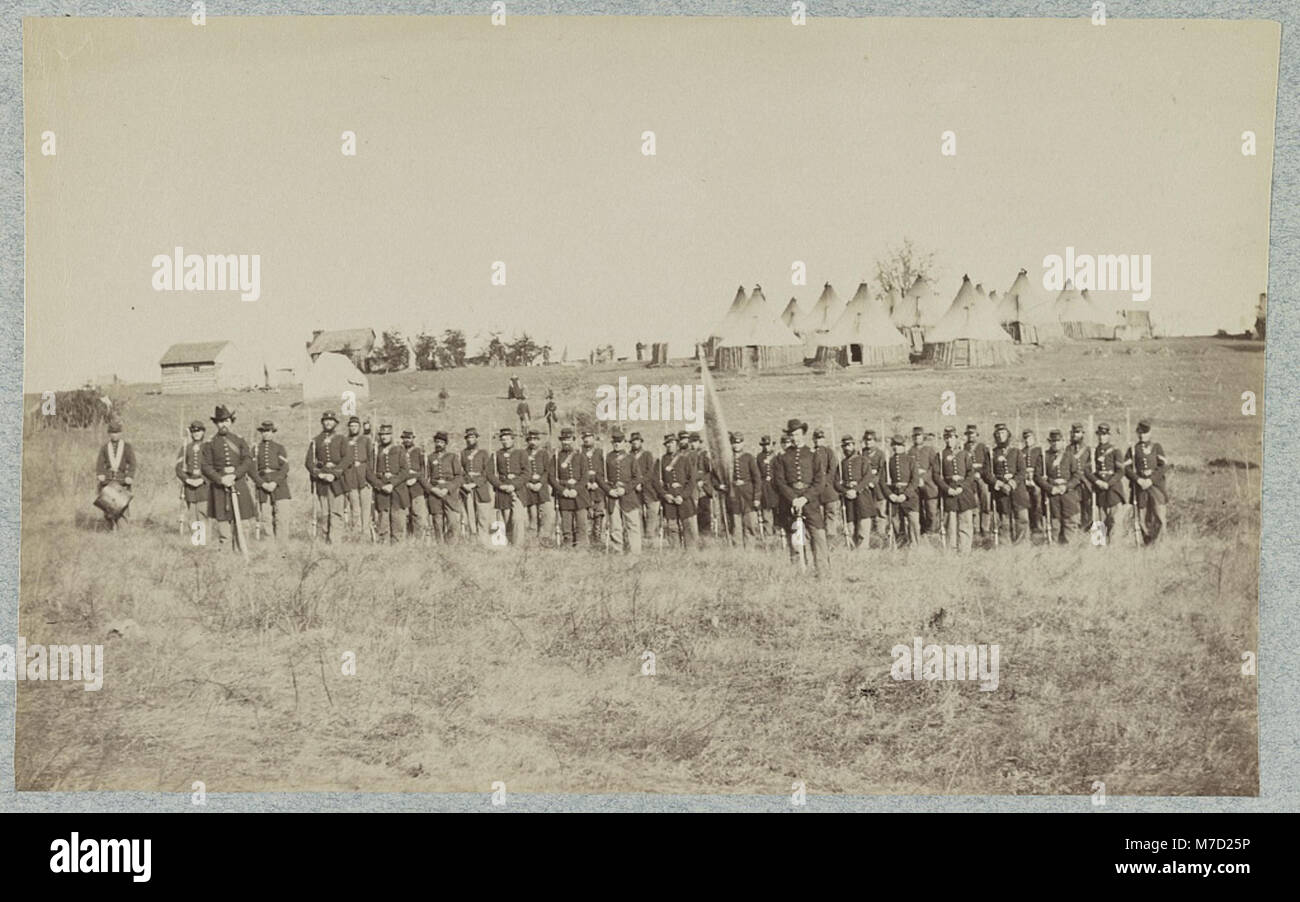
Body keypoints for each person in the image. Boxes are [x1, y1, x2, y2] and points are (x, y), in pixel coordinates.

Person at [774, 419, 829, 573]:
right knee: (795, 537)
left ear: (803, 434)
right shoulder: (782, 458)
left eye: (798, 434)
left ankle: (822, 571)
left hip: (810, 502)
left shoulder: (813, 455)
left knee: (818, 536)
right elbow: (780, 482)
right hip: (790, 503)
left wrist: (805, 498)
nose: (795, 438)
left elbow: (820, 481)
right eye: (792, 435)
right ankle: (798, 571)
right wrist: (793, 499)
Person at [201, 405, 255, 550]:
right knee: (224, 529)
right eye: (220, 421)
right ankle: (226, 561)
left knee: (243, 526)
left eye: (226, 421)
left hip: (239, 486)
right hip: (219, 489)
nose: (223, 424)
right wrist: (220, 479)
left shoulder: (239, 440)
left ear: (231, 422)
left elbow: (248, 460)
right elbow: (205, 466)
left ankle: (242, 556)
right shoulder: (210, 443)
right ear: (216, 424)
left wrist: (235, 474)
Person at [306, 411, 352, 542]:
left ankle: (335, 541)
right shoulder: (316, 440)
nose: (328, 422)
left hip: (337, 481)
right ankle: (325, 539)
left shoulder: (341, 439)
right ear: (322, 422)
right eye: (325, 420)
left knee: (336, 512)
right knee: (325, 512)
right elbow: (308, 462)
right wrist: (319, 474)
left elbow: (347, 458)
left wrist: (335, 473)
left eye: (331, 420)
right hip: (322, 482)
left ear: (335, 423)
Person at [934, 426, 977, 552]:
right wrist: (947, 489)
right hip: (949, 492)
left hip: (964, 492)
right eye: (946, 438)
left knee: (966, 522)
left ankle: (965, 550)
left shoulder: (964, 454)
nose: (949, 440)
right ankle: (951, 550)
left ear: (956, 438)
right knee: (950, 524)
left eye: (951, 437)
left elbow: (970, 473)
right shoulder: (941, 455)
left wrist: (962, 487)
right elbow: (936, 475)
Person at [1125, 420, 1169, 544]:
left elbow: (1164, 466)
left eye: (1145, 433)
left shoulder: (1156, 447)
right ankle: (1146, 543)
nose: (1142, 435)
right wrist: (1138, 479)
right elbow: (1126, 468)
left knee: (1158, 515)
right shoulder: (1133, 449)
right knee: (1142, 517)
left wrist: (1151, 479)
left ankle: (1159, 544)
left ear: (1150, 433)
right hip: (1140, 488)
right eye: (1140, 433)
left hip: (1155, 487)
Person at [716, 431, 762, 547]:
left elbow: (757, 478)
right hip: (733, 496)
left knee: (750, 524)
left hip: (748, 496)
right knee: (736, 526)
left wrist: (756, 497)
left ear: (743, 443)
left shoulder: (749, 458)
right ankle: (738, 551)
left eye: (739, 443)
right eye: (734, 443)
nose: (736, 445)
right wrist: (719, 485)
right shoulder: (726, 459)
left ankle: (750, 550)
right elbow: (715, 475)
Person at [602, 429, 644, 554]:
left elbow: (637, 478)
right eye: (614, 441)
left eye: (619, 441)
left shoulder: (630, 458)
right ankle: (617, 551)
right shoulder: (607, 458)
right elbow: (600, 477)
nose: (617, 444)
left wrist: (625, 489)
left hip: (629, 496)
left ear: (625, 443)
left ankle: (635, 552)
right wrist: (609, 491)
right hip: (613, 495)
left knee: (633, 525)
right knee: (615, 526)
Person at [987, 423, 1029, 543]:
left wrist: (1012, 482)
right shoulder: (991, 453)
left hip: (1017, 490)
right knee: (1004, 520)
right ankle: (1005, 545)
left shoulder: (1016, 452)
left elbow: (1022, 471)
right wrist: (998, 484)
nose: (1001, 436)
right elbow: (987, 473)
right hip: (1001, 491)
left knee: (1022, 518)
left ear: (1008, 435)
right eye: (998, 434)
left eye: (1003, 433)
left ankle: (1022, 545)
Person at [550, 427, 591, 547]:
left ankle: (582, 546)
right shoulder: (556, 457)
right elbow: (551, 477)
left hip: (580, 494)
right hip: (564, 495)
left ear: (573, 440)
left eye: (568, 439)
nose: (566, 442)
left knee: (581, 523)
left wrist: (576, 489)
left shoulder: (581, 456)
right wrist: (563, 491)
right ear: (561, 441)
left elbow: (585, 476)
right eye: (564, 440)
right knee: (566, 525)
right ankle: (567, 546)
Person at [1039, 429, 1082, 544]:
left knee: (1070, 522)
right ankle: (1054, 549)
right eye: (1053, 441)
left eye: (1058, 441)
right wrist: (1050, 488)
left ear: (1063, 441)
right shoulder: (1044, 457)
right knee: (1054, 523)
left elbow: (1077, 475)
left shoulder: (1069, 456)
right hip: (1052, 495)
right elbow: (1037, 476)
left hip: (1068, 494)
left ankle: (1070, 548)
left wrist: (1067, 486)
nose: (1055, 443)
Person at [1087, 423, 1127, 543]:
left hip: (1113, 489)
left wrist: (1109, 484)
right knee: (1099, 520)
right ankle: (1099, 545)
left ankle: (1114, 546)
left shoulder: (1115, 451)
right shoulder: (1093, 452)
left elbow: (1121, 471)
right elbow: (1087, 471)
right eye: (1099, 435)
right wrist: (1097, 481)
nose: (1101, 437)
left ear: (1108, 436)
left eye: (1104, 435)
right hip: (1099, 490)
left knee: (1114, 519)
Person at [657, 432, 698, 549]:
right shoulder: (661, 461)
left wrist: (683, 496)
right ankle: (676, 552)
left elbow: (692, 480)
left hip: (683, 498)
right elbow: (656, 481)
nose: (669, 445)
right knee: (672, 527)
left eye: (672, 443)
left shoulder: (685, 459)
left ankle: (691, 553)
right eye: (667, 443)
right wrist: (665, 495)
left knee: (688, 527)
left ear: (677, 443)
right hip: (669, 500)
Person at [369, 424, 409, 543]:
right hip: (382, 490)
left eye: (387, 434)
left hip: (397, 489)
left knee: (398, 519)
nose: (384, 437)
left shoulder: (399, 450)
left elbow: (405, 471)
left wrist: (392, 484)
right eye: (382, 434)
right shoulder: (375, 450)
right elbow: (369, 472)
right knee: (383, 518)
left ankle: (398, 546)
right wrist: (380, 485)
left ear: (391, 435)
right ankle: (383, 546)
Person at [487, 427, 528, 545]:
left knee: (518, 518)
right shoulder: (496, 455)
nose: (505, 442)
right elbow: (489, 473)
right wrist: (500, 485)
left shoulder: (521, 453)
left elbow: (527, 473)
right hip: (502, 491)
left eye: (507, 439)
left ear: (513, 440)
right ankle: (508, 543)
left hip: (518, 491)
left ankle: (518, 545)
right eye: (503, 440)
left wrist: (514, 485)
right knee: (506, 518)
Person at [95, 418, 137, 530]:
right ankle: (109, 529)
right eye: (112, 433)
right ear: (109, 433)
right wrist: (100, 474)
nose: (114, 435)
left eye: (117, 432)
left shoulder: (127, 447)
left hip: (122, 480)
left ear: (121, 433)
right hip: (108, 480)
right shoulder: (104, 448)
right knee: (107, 506)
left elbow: (132, 463)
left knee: (122, 507)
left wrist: (129, 476)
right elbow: (100, 463)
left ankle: (124, 531)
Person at [253, 420, 291, 541]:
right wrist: (262, 483)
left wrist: (275, 482)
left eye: (268, 431)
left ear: (273, 432)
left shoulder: (279, 448)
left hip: (279, 484)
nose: (266, 434)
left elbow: (285, 467)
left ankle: (282, 543)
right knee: (266, 516)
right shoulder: (255, 449)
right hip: (262, 484)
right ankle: (269, 544)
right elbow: (252, 470)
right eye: (264, 431)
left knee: (282, 514)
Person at [424, 430, 463, 543]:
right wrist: (432, 489)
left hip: (449, 493)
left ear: (445, 444)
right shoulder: (430, 458)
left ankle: (451, 544)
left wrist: (448, 488)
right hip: (435, 493)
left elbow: (459, 477)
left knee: (452, 521)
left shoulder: (452, 457)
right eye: (436, 442)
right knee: (437, 520)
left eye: (441, 442)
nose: (438, 444)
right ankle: (439, 545)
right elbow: (426, 477)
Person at [833, 434, 871, 548]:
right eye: (844, 446)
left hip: (862, 495)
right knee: (850, 524)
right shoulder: (841, 463)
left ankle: (863, 549)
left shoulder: (862, 460)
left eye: (849, 445)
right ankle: (852, 547)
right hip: (847, 498)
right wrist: (845, 491)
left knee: (863, 523)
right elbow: (836, 482)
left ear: (854, 445)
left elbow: (867, 477)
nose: (846, 448)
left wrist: (855, 490)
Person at [884, 434, 921, 545]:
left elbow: (915, 480)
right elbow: (882, 481)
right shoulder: (888, 461)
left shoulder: (910, 460)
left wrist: (905, 495)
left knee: (913, 522)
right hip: (894, 496)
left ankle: (915, 546)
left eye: (899, 445)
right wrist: (890, 495)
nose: (896, 447)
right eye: (894, 445)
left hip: (910, 497)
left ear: (904, 446)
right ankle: (901, 545)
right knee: (896, 523)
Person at [520, 429, 554, 546]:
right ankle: (532, 540)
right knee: (533, 515)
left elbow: (547, 470)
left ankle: (544, 538)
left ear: (539, 440)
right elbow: (522, 470)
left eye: (535, 439)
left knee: (545, 513)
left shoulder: (544, 453)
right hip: (529, 488)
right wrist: (528, 483)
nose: (533, 442)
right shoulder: (523, 453)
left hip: (542, 488)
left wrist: (540, 483)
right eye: (530, 439)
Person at [459, 427, 492, 543]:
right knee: (470, 513)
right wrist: (465, 484)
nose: (470, 440)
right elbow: (461, 471)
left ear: (477, 438)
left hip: (480, 487)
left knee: (482, 513)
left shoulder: (484, 453)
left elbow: (487, 472)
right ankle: (473, 538)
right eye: (468, 437)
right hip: (467, 488)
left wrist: (475, 484)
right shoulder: (463, 453)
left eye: (472, 437)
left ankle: (483, 538)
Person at [342, 416, 373, 539]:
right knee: (355, 507)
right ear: (349, 427)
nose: (353, 428)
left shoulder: (365, 440)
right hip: (351, 477)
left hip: (364, 476)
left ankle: (365, 533)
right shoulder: (345, 440)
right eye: (351, 426)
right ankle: (356, 532)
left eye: (355, 426)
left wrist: (370, 478)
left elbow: (371, 458)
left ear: (359, 427)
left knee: (366, 507)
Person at [174, 420, 207, 535]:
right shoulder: (185, 448)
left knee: (203, 512)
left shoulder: (208, 448)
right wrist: (187, 480)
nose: (197, 433)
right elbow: (178, 468)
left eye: (199, 431)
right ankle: (195, 540)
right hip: (190, 486)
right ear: (191, 433)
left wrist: (202, 479)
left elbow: (213, 468)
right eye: (194, 431)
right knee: (192, 514)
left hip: (204, 486)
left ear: (203, 432)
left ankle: (203, 540)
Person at [811, 429, 842, 545]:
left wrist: (824, 482)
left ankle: (831, 540)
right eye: (816, 438)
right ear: (813, 439)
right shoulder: (810, 453)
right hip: (815, 491)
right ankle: (820, 540)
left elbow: (832, 468)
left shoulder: (829, 452)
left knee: (830, 515)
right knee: (817, 516)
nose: (818, 440)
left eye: (821, 438)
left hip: (829, 489)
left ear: (824, 439)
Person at [630, 432, 660, 545]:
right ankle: (640, 537)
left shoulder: (647, 454)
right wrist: (635, 484)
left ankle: (650, 535)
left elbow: (650, 472)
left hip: (648, 488)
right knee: (637, 512)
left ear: (641, 441)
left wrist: (641, 482)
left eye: (637, 440)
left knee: (652, 511)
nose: (635, 443)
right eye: (633, 441)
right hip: (634, 489)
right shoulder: (629, 456)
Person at [859, 430, 888, 547]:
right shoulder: (862, 454)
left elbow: (882, 471)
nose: (868, 442)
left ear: (875, 441)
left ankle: (881, 536)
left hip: (878, 488)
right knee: (866, 512)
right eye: (866, 440)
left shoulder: (881, 454)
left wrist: (873, 481)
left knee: (880, 512)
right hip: (866, 488)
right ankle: (868, 537)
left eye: (870, 440)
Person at [964, 424, 993, 540]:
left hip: (982, 478)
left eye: (973, 434)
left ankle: (985, 527)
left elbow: (987, 465)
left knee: (985, 500)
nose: (971, 436)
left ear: (977, 434)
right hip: (970, 479)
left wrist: (980, 473)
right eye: (968, 434)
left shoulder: (983, 448)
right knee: (974, 502)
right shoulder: (963, 448)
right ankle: (976, 528)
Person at [909, 426, 940, 536]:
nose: (917, 438)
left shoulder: (930, 450)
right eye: (915, 436)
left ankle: (932, 531)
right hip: (915, 485)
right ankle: (922, 532)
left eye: (919, 435)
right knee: (918, 509)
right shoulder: (910, 451)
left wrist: (924, 478)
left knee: (931, 509)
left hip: (929, 484)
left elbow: (934, 467)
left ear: (923, 437)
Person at [687, 431, 715, 539]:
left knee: (705, 510)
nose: (693, 444)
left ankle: (706, 533)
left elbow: (710, 472)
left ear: (699, 442)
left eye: (695, 442)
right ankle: (696, 533)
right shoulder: (689, 455)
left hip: (703, 487)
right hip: (693, 487)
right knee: (695, 510)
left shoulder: (704, 455)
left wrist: (703, 481)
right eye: (691, 442)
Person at [755, 435, 781, 544]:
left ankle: (779, 534)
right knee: (766, 512)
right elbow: (757, 474)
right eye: (764, 445)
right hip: (765, 488)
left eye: (768, 445)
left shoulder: (776, 457)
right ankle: (768, 535)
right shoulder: (759, 457)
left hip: (775, 487)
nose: (766, 447)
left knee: (778, 512)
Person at [581, 430, 606, 544]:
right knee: (587, 513)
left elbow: (604, 471)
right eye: (585, 438)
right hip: (584, 488)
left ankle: (597, 539)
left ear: (594, 439)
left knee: (599, 512)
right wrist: (586, 483)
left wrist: (598, 483)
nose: (587, 439)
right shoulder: (579, 453)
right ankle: (588, 539)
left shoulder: (601, 453)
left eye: (590, 437)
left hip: (599, 488)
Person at [1067, 423, 1093, 528]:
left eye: (1078, 432)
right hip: (1074, 482)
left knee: (1088, 505)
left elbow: (1091, 465)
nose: (1075, 435)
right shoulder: (1067, 449)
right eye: (1073, 432)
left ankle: (1087, 527)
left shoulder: (1088, 449)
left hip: (1086, 482)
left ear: (1082, 433)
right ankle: (1076, 527)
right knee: (1075, 506)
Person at [1022, 429, 1045, 541]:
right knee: (1027, 502)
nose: (1027, 440)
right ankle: (1031, 524)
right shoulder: (1022, 451)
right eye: (1025, 438)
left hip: (1036, 479)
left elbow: (1041, 466)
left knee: (1038, 502)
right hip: (1025, 479)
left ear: (1034, 438)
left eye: (1029, 438)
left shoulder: (1039, 450)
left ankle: (1038, 525)